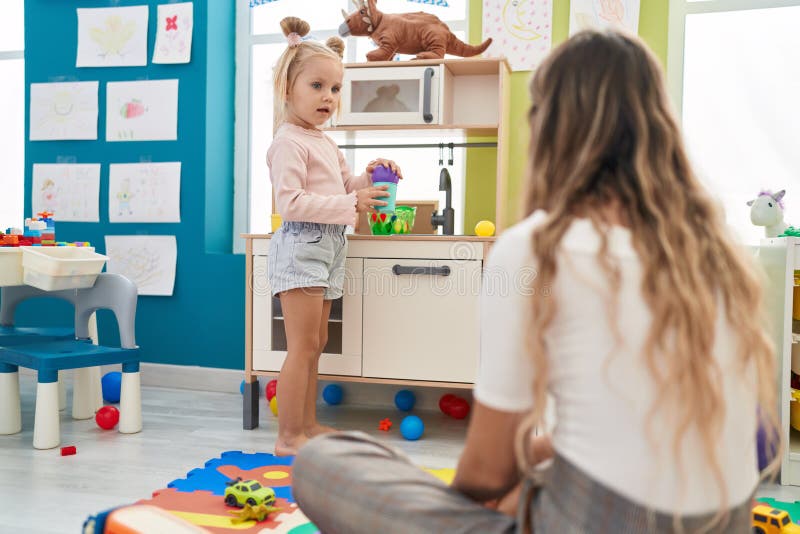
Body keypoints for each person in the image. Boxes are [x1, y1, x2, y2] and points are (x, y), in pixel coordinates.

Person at [290, 29, 778, 533]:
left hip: (593, 521)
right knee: (535, 467)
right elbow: (622, 428)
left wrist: (460, 506)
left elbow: (484, 473)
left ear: (549, 128)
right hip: (725, 522)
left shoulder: (538, 247)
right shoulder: (713, 249)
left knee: (323, 462)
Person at [267, 16, 402, 456]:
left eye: (335, 89)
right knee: (302, 346)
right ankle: (288, 436)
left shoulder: (324, 141)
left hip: (328, 247)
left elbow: (346, 190)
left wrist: (370, 177)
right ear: (288, 88)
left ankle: (306, 424)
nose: (328, 97)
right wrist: (351, 206)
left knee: (317, 344)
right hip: (303, 245)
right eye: (317, 86)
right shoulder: (289, 141)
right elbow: (290, 203)